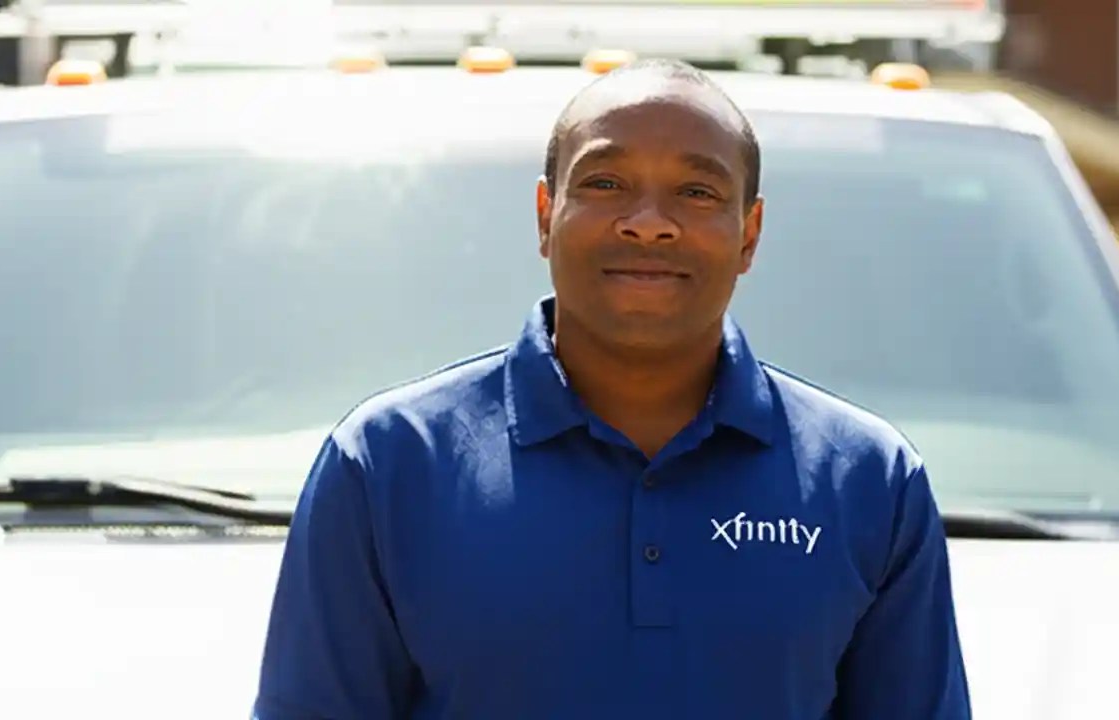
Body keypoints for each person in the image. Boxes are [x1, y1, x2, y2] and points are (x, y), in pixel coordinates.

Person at [252, 58, 971, 719]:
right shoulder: (385, 464)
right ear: (544, 215)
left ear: (749, 233)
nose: (649, 223)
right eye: (605, 184)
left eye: (696, 191)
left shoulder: (869, 479)